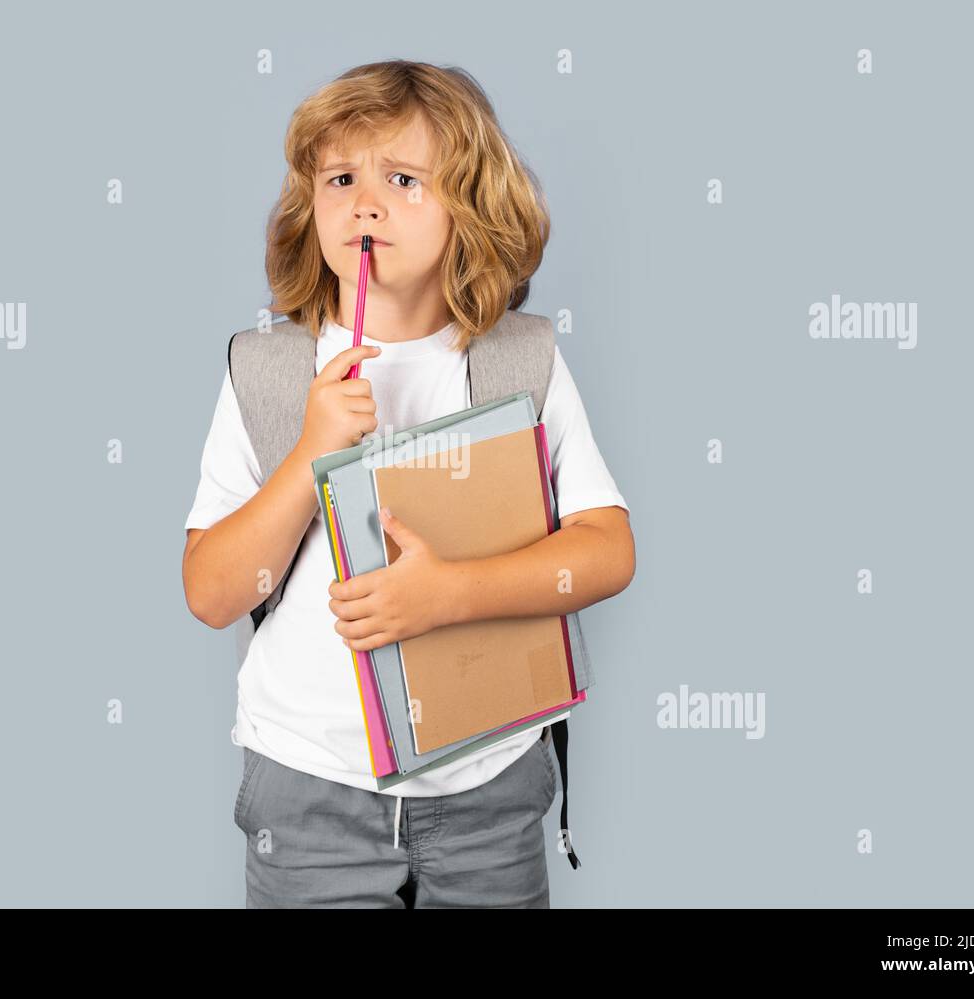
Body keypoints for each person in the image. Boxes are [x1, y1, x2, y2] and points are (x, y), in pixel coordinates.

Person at [182, 60, 635, 908]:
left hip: (490, 789)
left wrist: (448, 595)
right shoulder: (269, 372)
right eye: (341, 178)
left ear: (469, 206)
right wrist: (310, 452)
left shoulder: (520, 361)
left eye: (402, 179)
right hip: (307, 791)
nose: (364, 202)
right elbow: (211, 593)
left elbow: (607, 552)